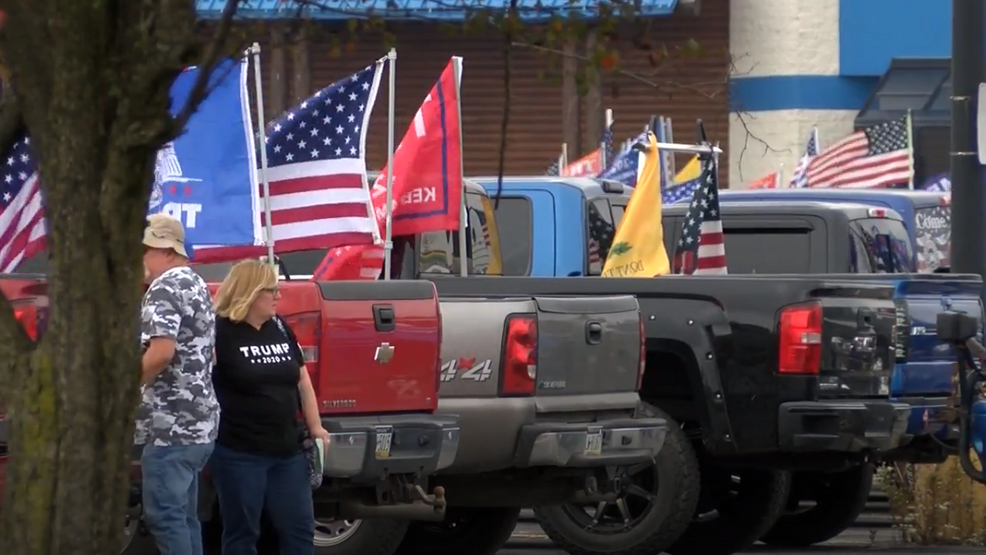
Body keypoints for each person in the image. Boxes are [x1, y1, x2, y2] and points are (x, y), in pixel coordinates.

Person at [209, 259, 330, 555]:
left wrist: (315, 427)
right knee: (242, 533)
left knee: (300, 529)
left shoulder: (278, 326)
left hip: (288, 452)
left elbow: (302, 381)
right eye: (271, 290)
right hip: (240, 453)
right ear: (248, 292)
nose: (278, 295)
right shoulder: (220, 332)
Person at [138, 213, 219, 555]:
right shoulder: (196, 284)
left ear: (167, 252)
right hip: (200, 425)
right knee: (185, 518)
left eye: (146, 249)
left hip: (170, 426)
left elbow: (161, 352)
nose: (140, 257)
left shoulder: (165, 286)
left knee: (166, 517)